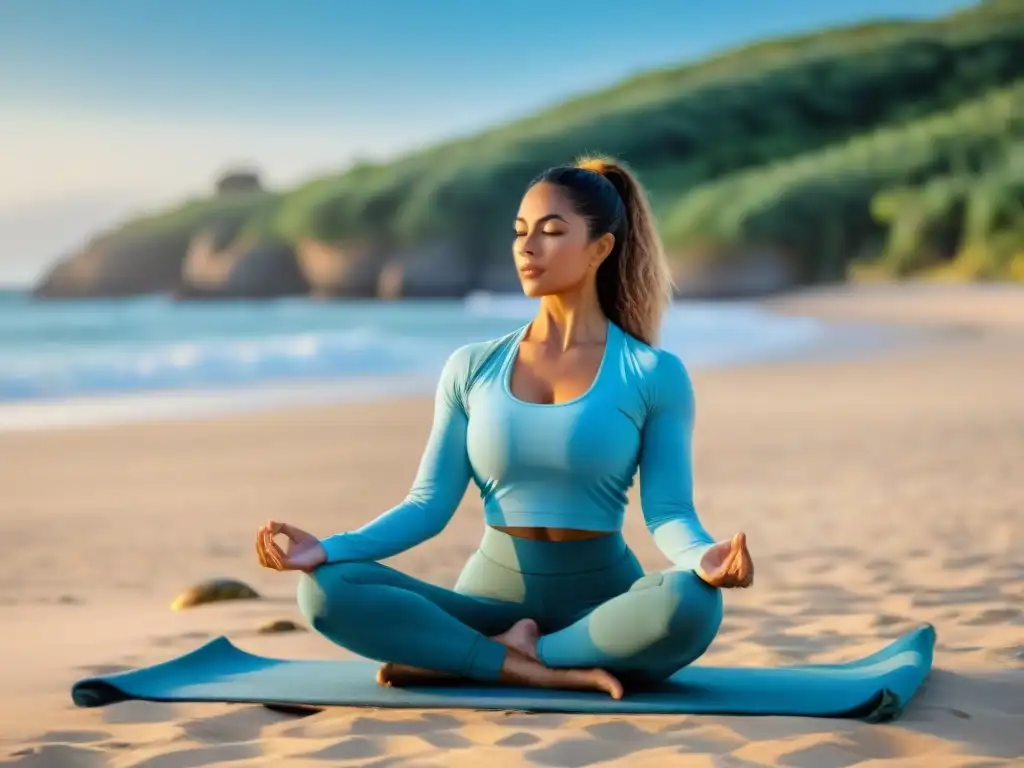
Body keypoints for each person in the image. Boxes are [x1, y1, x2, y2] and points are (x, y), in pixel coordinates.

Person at [255, 155, 754, 699]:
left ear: (600, 249)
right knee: (327, 591)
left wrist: (702, 556)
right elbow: (427, 504)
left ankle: (493, 656)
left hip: (600, 612)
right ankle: (519, 661)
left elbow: (669, 513)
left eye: (551, 231)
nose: (527, 246)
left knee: (693, 604)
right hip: (486, 603)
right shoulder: (472, 367)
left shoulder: (653, 373)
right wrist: (328, 549)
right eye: (520, 232)